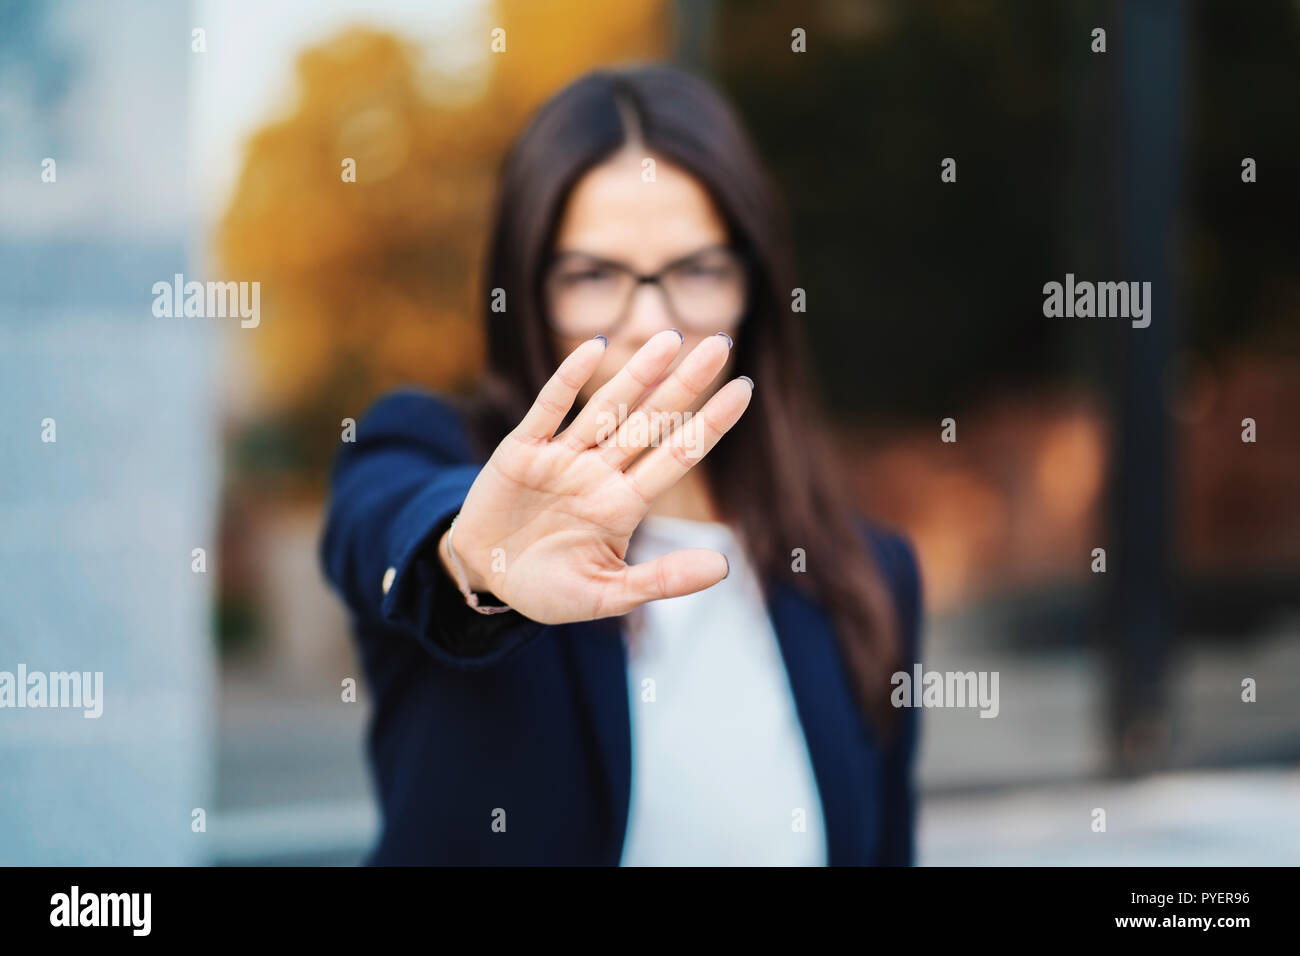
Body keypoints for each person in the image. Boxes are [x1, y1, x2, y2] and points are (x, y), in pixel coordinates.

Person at [320, 64, 923, 866]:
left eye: (698, 270)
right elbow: (389, 525)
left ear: (757, 287)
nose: (653, 322)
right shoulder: (423, 448)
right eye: (594, 275)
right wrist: (476, 556)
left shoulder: (867, 573)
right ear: (527, 291)